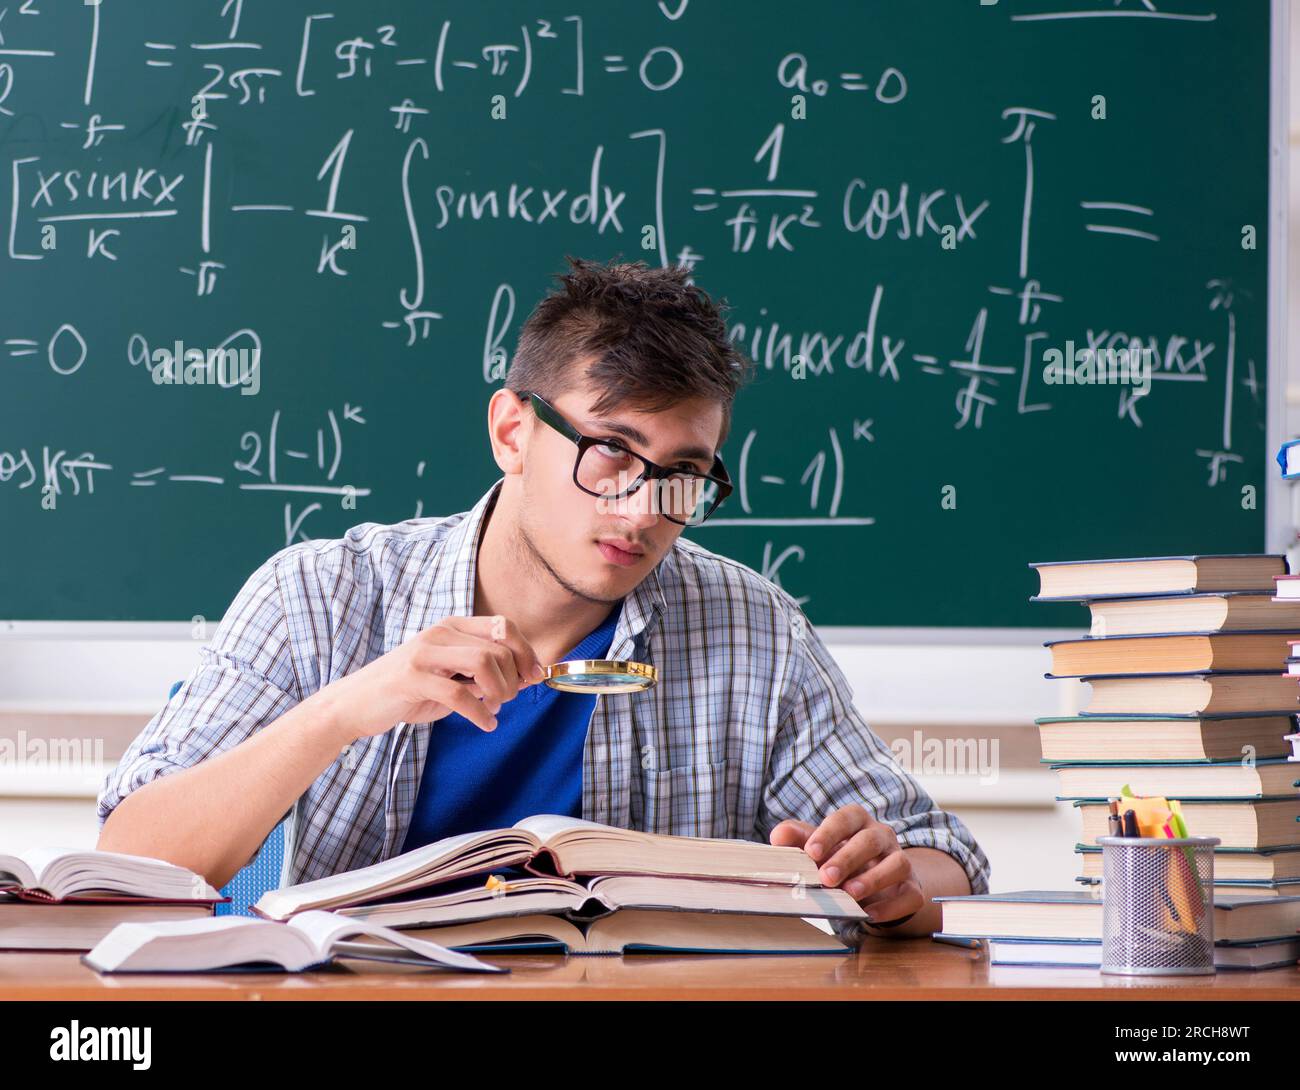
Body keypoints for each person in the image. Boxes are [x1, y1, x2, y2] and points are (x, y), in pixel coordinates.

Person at [97, 256, 990, 944]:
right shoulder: (322, 596)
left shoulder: (753, 628)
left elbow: (949, 861)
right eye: (611, 452)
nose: (645, 512)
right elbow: (128, 864)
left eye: (683, 476)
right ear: (512, 432)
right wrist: (343, 710)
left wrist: (897, 885)